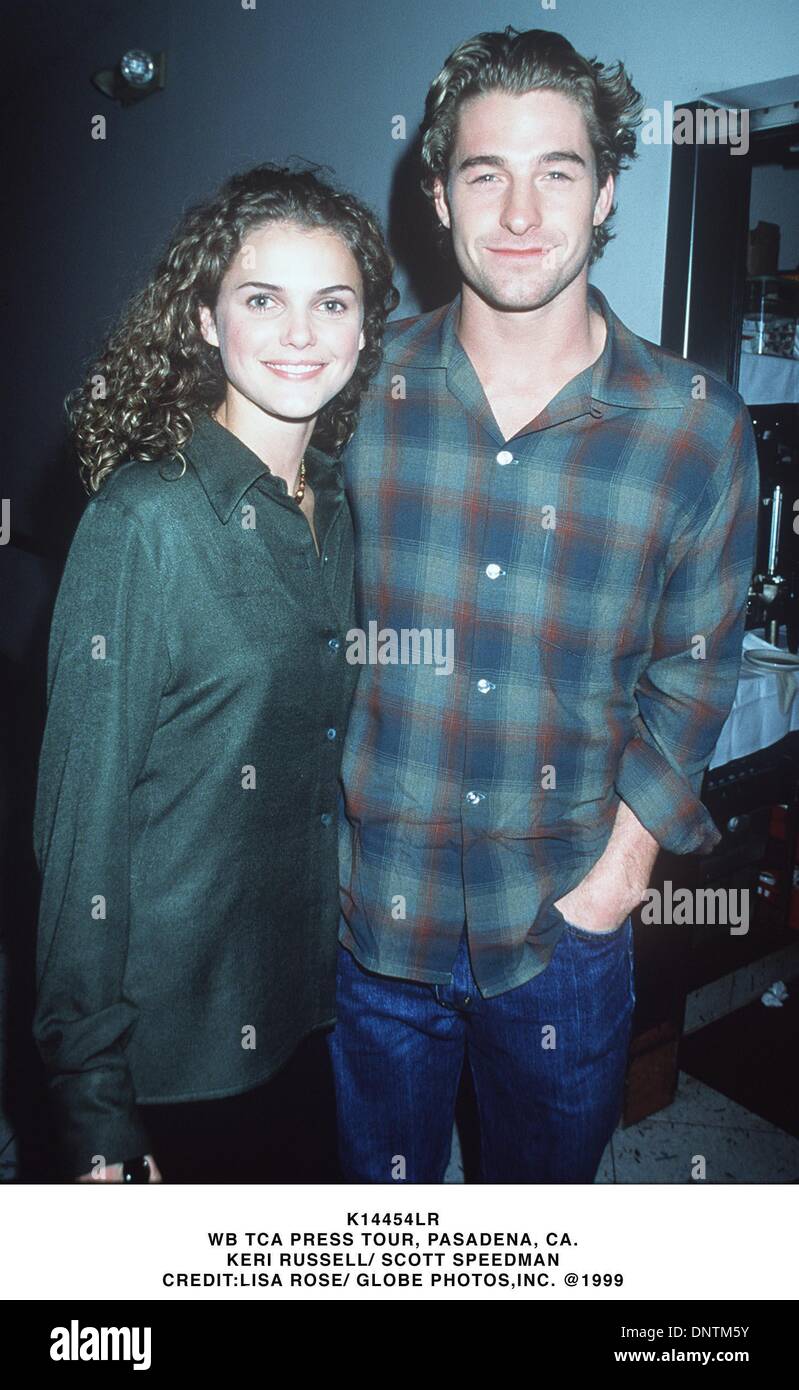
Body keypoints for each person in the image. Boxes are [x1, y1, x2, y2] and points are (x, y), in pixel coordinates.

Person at [329, 27, 760, 1183]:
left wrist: (615, 881)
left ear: (605, 187)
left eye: (556, 171)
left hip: (566, 925)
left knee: (542, 1228)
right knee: (380, 1231)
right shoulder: (355, 390)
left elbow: (698, 670)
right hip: (370, 913)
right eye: (484, 173)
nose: (520, 211)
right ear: (436, 195)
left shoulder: (697, 425)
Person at [32, 163, 398, 1183]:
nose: (299, 334)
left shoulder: (337, 510)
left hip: (306, 1006)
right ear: (204, 320)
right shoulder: (143, 521)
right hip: (174, 1041)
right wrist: (92, 1101)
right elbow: (79, 831)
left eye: (331, 303)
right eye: (260, 299)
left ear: (363, 330)